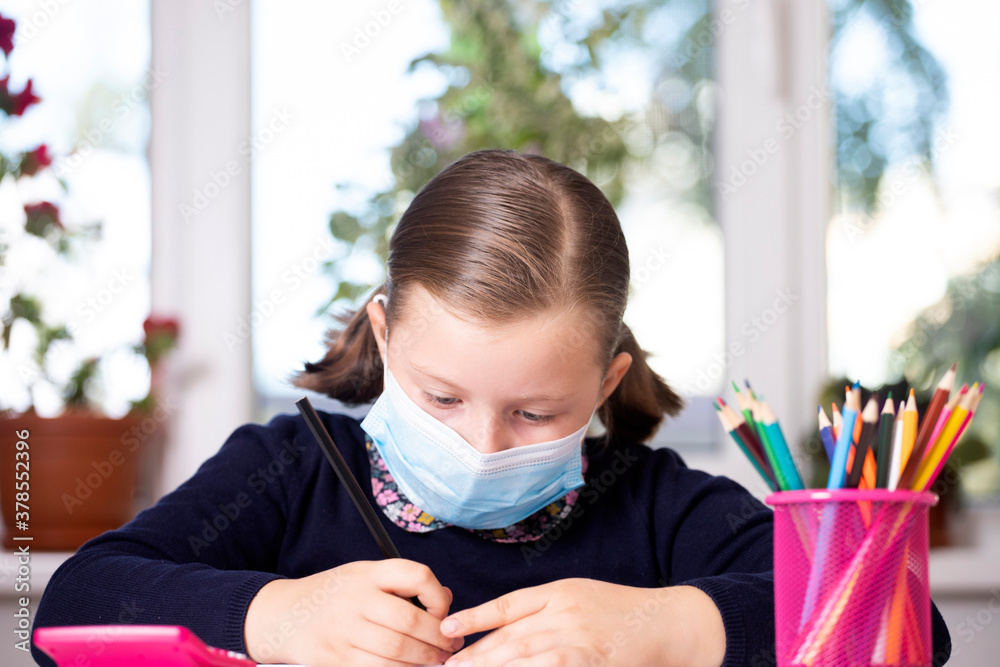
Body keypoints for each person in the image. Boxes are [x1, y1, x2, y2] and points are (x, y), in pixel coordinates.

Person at [31, 149, 951, 667]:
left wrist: (660, 627)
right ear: (385, 339)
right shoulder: (288, 471)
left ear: (603, 383)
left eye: (538, 412)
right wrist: (278, 615)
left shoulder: (661, 505)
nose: (480, 443)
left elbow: (903, 628)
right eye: (441, 396)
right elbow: (66, 609)